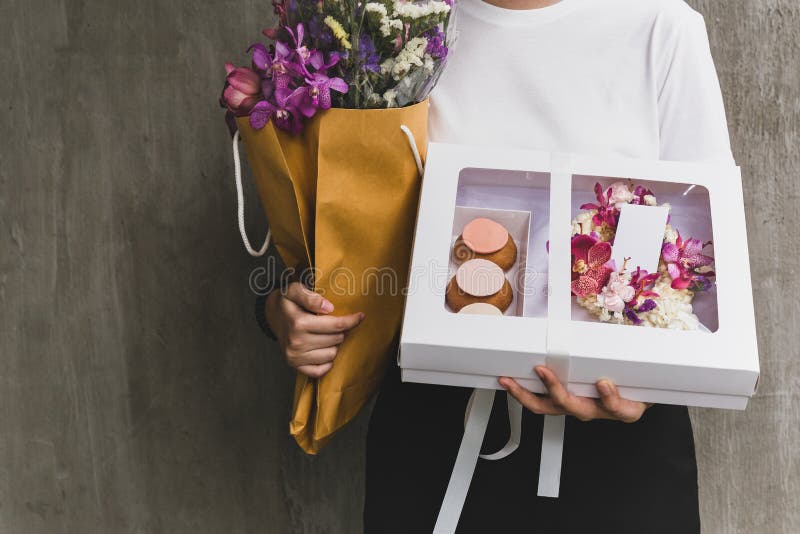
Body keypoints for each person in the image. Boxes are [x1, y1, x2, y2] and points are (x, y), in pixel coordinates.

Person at [260, 0, 733, 531]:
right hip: (433, 435)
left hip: (619, 459)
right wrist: (287, 310)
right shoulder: (386, 29)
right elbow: (340, 224)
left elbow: (707, 256)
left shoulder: (660, 27)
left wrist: (648, 386)